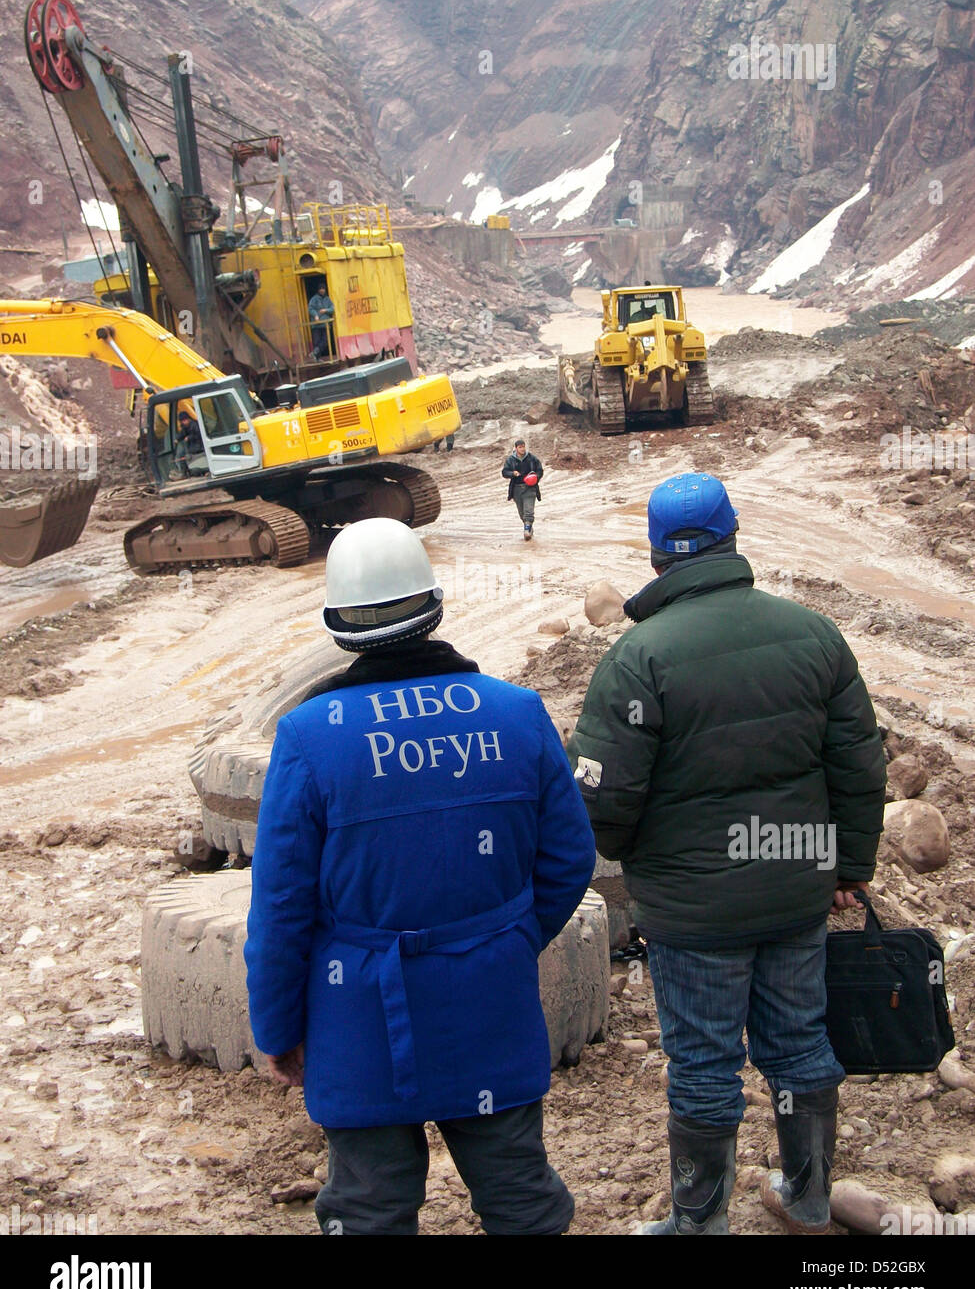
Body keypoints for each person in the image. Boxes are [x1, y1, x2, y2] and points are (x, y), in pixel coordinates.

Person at [244, 518, 595, 1236]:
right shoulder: (517, 714)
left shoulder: (309, 737)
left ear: (339, 624)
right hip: (488, 996)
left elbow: (281, 906)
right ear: (434, 606)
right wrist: (506, 939)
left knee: (369, 1206)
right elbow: (567, 859)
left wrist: (277, 1027)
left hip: (358, 1013)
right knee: (519, 1193)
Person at [568, 472, 886, 1235]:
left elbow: (604, 798)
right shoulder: (813, 634)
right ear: (734, 539)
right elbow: (859, 764)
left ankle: (699, 1220)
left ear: (655, 561)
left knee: (705, 1064)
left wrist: (629, 859)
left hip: (691, 911)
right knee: (798, 1044)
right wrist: (848, 868)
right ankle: (808, 1198)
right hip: (794, 893)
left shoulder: (637, 656)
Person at [502, 439, 543, 541]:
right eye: (520, 447)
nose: (522, 449)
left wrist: (535, 477)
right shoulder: (510, 460)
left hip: (530, 488)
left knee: (529, 512)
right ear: (516, 448)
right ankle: (528, 527)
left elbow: (540, 470)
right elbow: (504, 472)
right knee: (522, 514)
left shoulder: (532, 458)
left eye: (523, 446)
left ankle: (527, 531)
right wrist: (512, 473)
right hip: (516, 489)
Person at [172, 408, 204, 478]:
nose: (183, 422)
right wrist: (177, 439)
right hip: (191, 445)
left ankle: (191, 472)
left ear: (188, 419)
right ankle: (185, 472)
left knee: (189, 457)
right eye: (182, 421)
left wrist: (189, 438)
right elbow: (182, 433)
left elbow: (198, 434)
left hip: (198, 445)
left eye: (184, 420)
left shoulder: (194, 424)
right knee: (183, 455)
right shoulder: (185, 427)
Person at [308, 282, 335, 359]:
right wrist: (315, 315)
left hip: (325, 324)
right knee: (316, 342)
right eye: (320, 289)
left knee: (325, 341)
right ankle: (317, 357)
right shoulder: (314, 299)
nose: (322, 290)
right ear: (318, 290)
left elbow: (332, 309)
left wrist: (325, 310)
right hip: (316, 325)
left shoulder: (327, 299)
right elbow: (310, 309)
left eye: (323, 288)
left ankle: (315, 352)